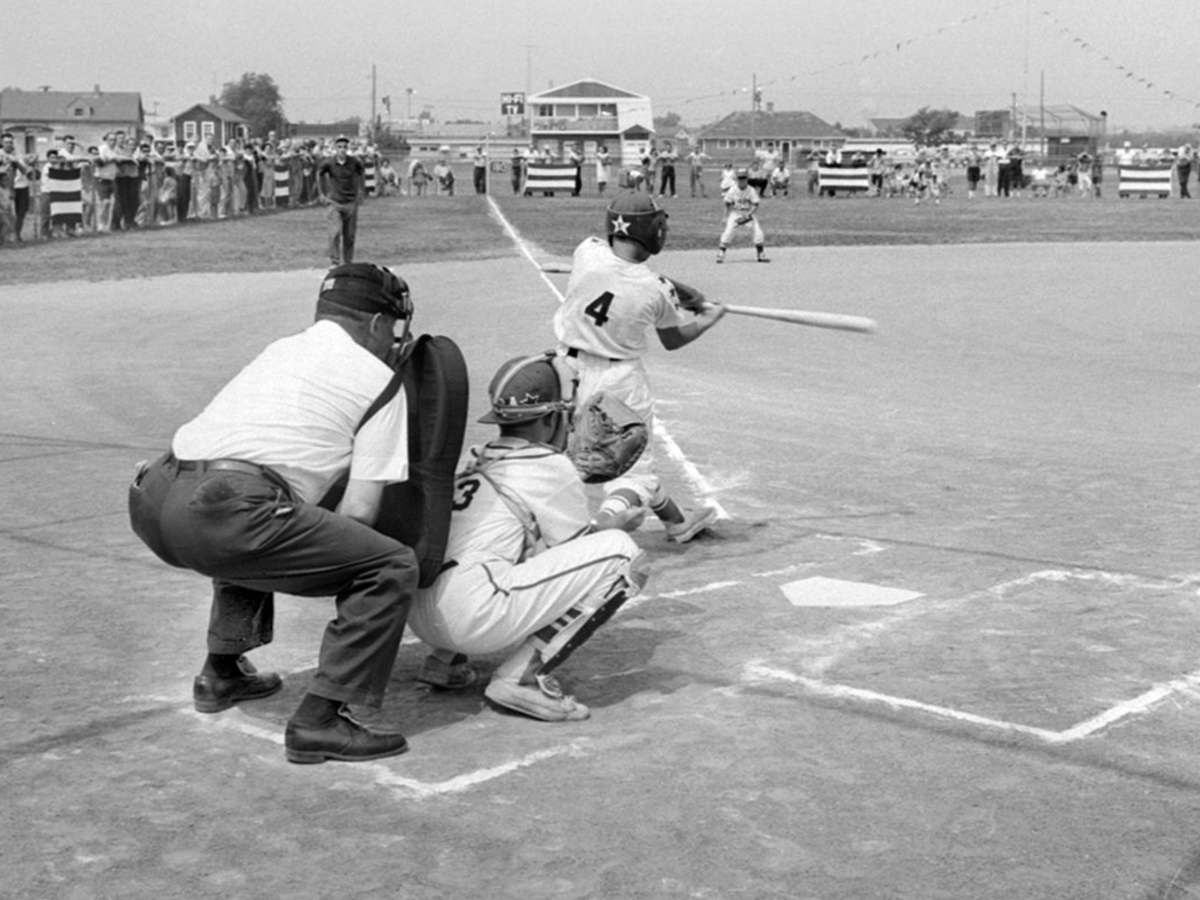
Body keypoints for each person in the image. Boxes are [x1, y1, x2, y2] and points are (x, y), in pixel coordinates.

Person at [128, 264, 419, 765]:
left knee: (267, 518)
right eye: (390, 327)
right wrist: (330, 559)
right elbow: (360, 511)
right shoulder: (381, 379)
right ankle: (320, 720)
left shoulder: (281, 349)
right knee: (390, 564)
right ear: (374, 324)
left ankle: (221, 672)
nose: (392, 338)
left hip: (153, 494)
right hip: (222, 513)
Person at [407, 353, 650, 720]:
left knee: (497, 540)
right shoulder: (552, 467)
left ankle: (444, 662)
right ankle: (517, 678)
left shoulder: (473, 456)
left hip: (420, 614)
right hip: (472, 619)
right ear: (554, 417)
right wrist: (613, 524)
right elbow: (575, 551)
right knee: (622, 557)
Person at [553, 191, 725, 542]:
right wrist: (708, 318)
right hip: (618, 384)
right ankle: (602, 527)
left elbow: (630, 272)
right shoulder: (654, 290)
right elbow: (673, 339)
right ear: (652, 230)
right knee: (635, 474)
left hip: (564, 373)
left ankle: (677, 522)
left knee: (564, 456)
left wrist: (683, 292)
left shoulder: (587, 252)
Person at [317, 135, 365, 267]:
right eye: (339, 147)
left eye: (344, 147)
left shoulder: (354, 162)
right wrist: (321, 193)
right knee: (335, 232)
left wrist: (361, 190)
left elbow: (361, 172)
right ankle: (335, 261)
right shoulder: (329, 162)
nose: (342, 149)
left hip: (351, 202)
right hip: (335, 202)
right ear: (335, 148)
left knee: (349, 235)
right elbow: (319, 173)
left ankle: (348, 261)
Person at [717, 168, 769, 263]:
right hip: (736, 213)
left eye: (744, 178)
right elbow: (727, 204)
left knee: (758, 232)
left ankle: (760, 253)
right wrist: (725, 217)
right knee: (728, 231)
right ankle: (721, 253)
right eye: (740, 178)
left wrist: (749, 214)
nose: (742, 180)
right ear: (737, 179)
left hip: (748, 213)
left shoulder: (751, 190)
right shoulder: (732, 190)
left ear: (747, 179)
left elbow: (755, 204)